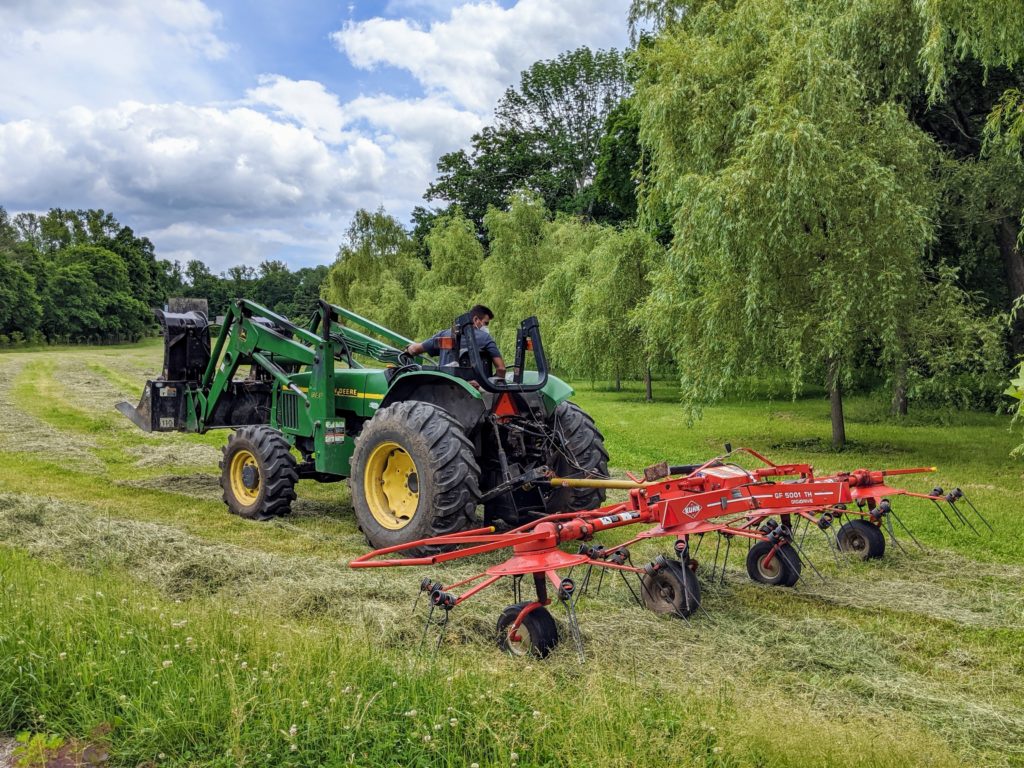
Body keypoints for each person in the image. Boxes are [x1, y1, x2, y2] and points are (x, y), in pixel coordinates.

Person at [405, 304, 506, 381]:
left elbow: (415, 349)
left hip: (446, 389)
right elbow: (501, 369)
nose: (486, 327)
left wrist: (408, 349)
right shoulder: (486, 338)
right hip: (478, 393)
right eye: (486, 323)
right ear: (475, 319)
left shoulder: (445, 334)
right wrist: (487, 384)